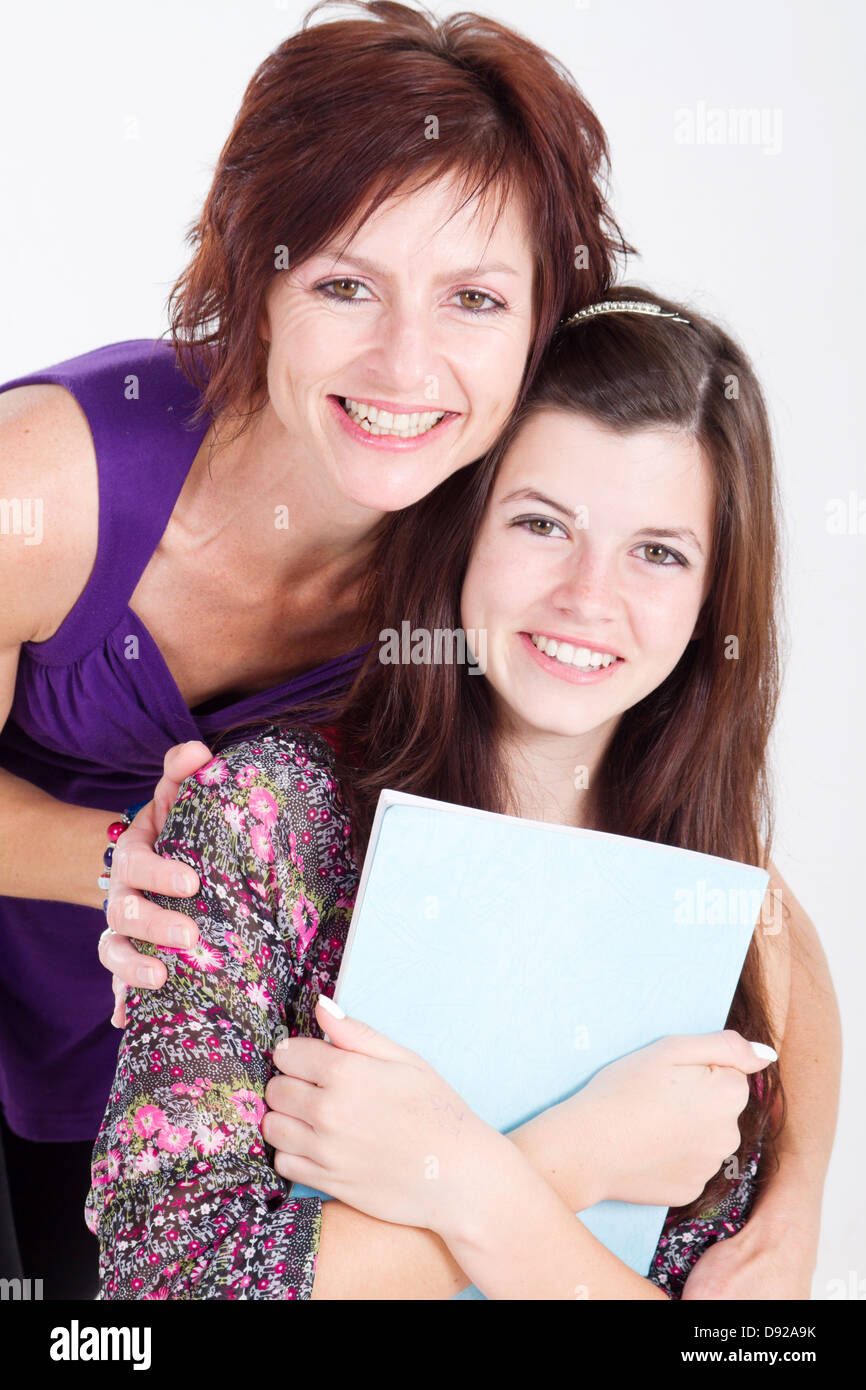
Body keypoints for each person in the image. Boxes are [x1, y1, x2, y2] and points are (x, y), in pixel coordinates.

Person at [0, 0, 631, 1297]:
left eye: (471, 297)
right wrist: (127, 857)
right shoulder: (45, 489)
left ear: (540, 321)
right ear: (256, 280)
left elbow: (708, 842)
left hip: (226, 1104)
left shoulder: (518, 546)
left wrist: (792, 1199)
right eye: (345, 282)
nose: (408, 362)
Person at [86, 290, 839, 1299]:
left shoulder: (713, 892)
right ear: (465, 530)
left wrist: (467, 1182)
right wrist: (576, 1154)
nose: (586, 597)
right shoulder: (267, 821)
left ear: (712, 603)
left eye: (656, 552)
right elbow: (162, 1294)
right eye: (540, 524)